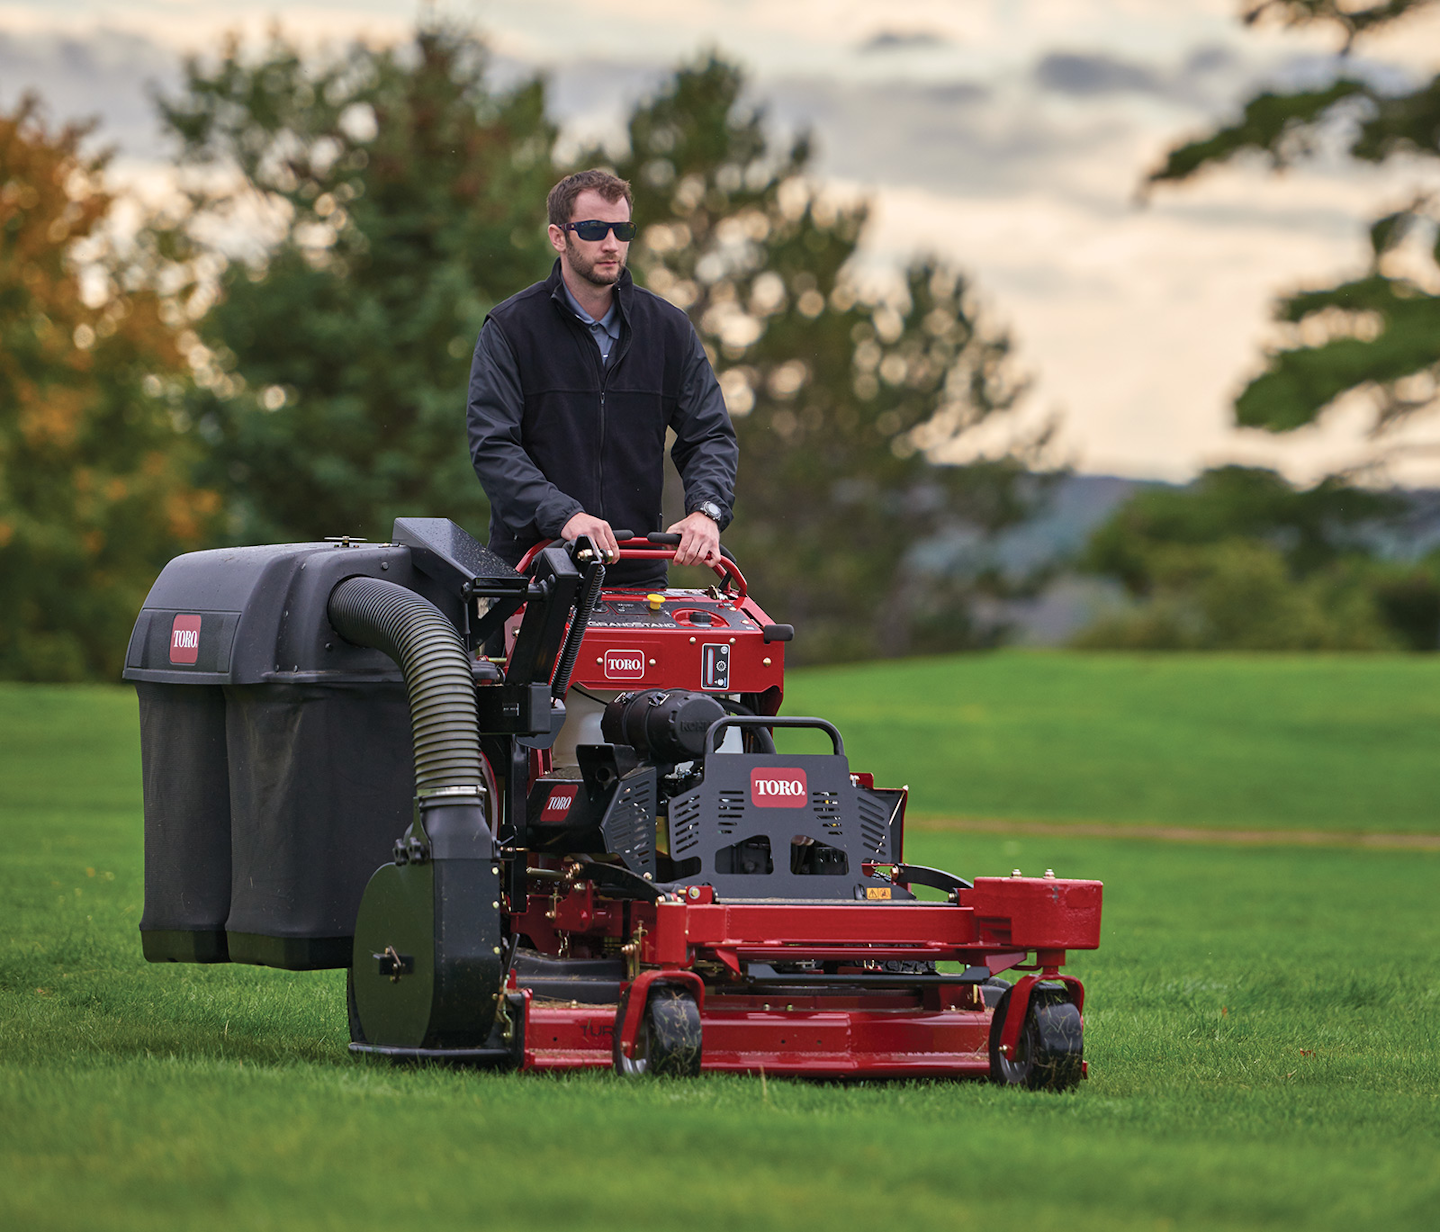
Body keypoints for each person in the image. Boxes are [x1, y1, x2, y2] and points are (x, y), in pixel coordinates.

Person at [467, 169, 737, 587]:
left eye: (621, 229)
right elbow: (493, 445)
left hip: (638, 575)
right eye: (594, 229)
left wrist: (706, 511)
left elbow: (709, 435)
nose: (611, 244)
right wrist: (566, 516)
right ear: (559, 236)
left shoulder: (668, 329)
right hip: (532, 574)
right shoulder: (511, 328)